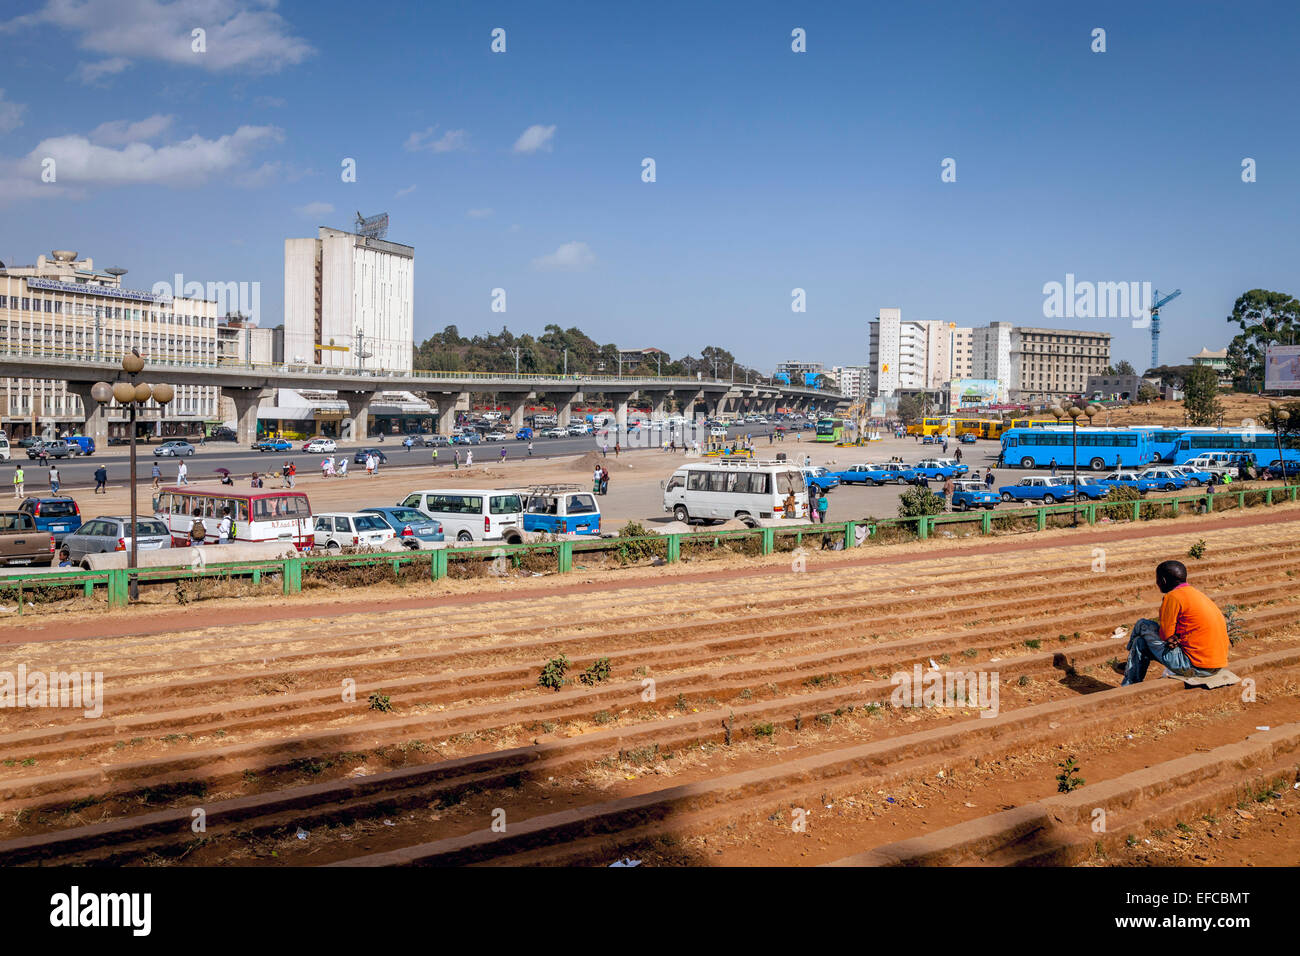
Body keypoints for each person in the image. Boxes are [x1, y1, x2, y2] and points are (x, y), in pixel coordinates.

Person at [1120, 561, 1229, 686]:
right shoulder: (1197, 594)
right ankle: (1129, 681)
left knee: (1142, 624)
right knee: (1140, 643)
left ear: (1163, 580)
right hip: (1215, 665)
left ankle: (1128, 661)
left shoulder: (1173, 597)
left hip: (1194, 665)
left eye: (1157, 579)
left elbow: (1166, 636)